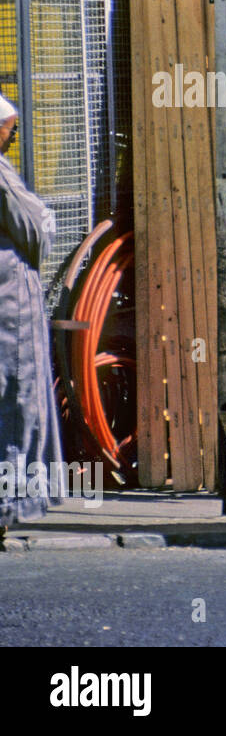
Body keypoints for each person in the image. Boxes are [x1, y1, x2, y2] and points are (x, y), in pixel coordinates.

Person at [0, 96, 64, 541]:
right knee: (16, 400)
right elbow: (36, 231)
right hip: (9, 307)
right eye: (9, 126)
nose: (13, 134)